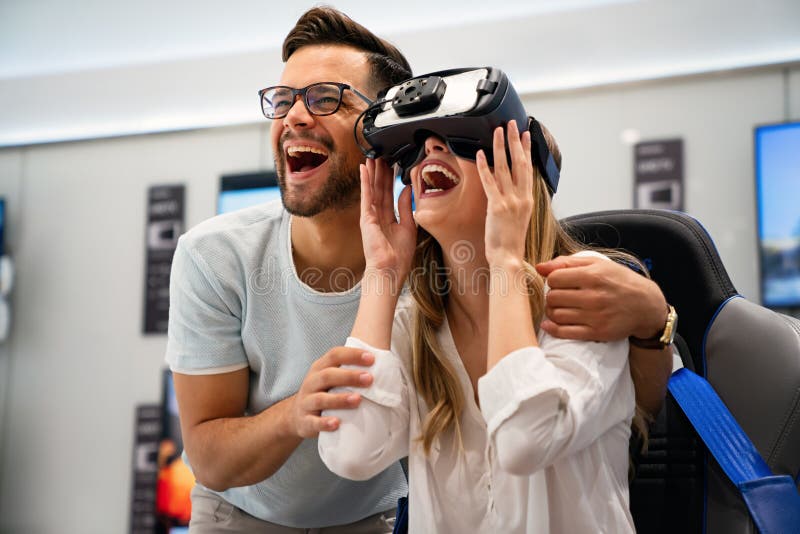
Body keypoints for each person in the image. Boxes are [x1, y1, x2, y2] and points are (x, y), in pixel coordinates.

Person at [166, 7, 673, 533]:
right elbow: (347, 449)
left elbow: (600, 420)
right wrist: (384, 273)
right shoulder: (412, 312)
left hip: (369, 517)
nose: (294, 115)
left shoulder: (577, 288)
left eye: (324, 98)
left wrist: (652, 316)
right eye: (284, 99)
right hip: (244, 511)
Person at [319, 112, 645, 533]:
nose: (429, 151)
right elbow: (349, 451)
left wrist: (506, 259)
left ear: (522, 179)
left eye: (461, 139)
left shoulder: (585, 291)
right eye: (418, 147)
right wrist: (382, 272)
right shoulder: (414, 325)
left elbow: (526, 439)